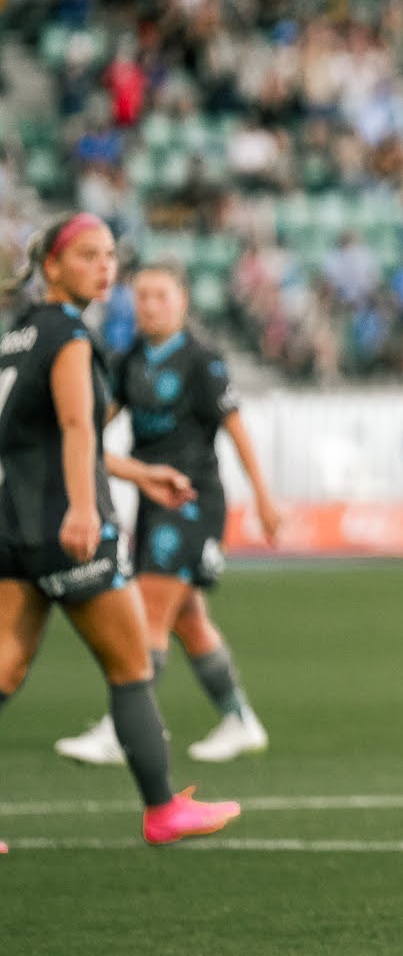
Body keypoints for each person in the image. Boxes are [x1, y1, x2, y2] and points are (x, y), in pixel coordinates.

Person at [0, 214, 241, 845]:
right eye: (86, 255)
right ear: (51, 266)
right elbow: (80, 430)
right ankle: (162, 808)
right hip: (70, 528)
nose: (104, 268)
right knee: (133, 666)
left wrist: (139, 474)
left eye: (109, 255)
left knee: (3, 669)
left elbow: (38, 439)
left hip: (14, 525)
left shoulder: (17, 335)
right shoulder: (71, 336)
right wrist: (85, 510)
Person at [53, 261, 286, 768]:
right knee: (189, 620)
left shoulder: (201, 361)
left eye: (160, 295)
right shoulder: (130, 357)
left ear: (183, 300)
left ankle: (123, 729)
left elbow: (237, 431)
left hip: (193, 502)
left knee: (148, 613)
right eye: (142, 297)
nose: (149, 305)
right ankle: (239, 718)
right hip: (153, 504)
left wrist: (264, 498)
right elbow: (94, 425)